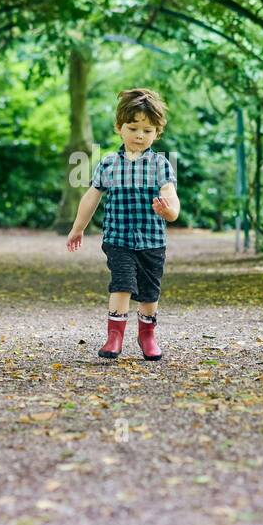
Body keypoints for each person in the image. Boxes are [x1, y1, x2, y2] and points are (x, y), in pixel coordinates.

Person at [66, 88, 179, 360]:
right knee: (122, 284)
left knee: (149, 292)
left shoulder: (160, 165)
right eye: (133, 128)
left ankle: (147, 336)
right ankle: (114, 336)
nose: (140, 135)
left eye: (148, 130)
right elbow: (91, 197)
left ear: (157, 133)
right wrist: (78, 228)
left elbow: (171, 198)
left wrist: (168, 212)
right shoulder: (108, 164)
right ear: (119, 128)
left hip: (152, 241)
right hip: (118, 240)